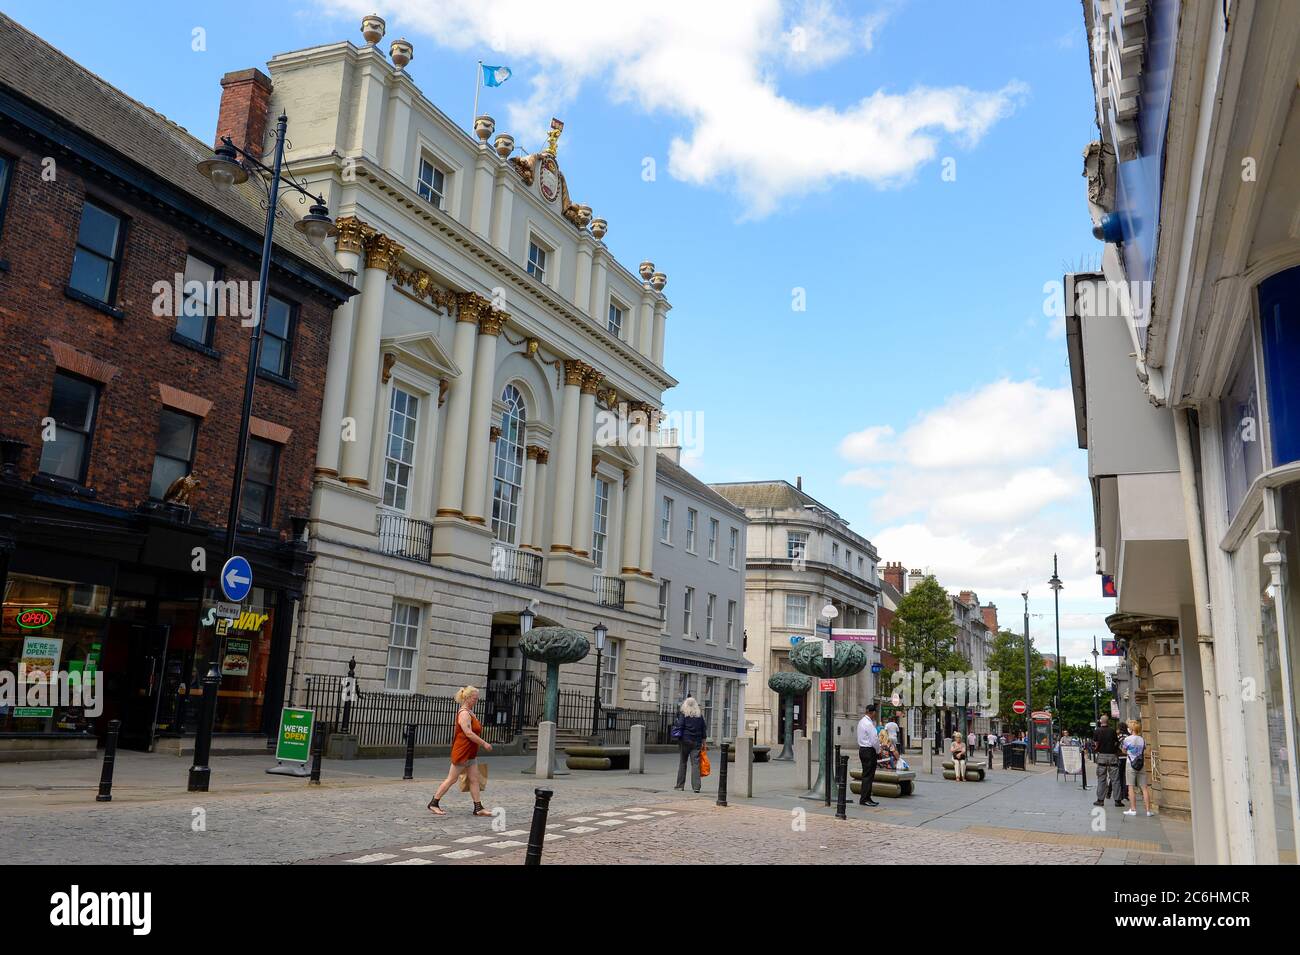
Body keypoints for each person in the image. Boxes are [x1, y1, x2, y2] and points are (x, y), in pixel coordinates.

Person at [427, 685, 493, 817]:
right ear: (467, 698)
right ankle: (433, 803)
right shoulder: (464, 713)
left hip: (470, 752)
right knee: (451, 779)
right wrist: (484, 743)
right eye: (474, 698)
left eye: (477, 698)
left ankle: (478, 808)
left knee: (474, 780)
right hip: (462, 751)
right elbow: (468, 733)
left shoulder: (470, 712)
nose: (476, 700)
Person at [672, 696, 708, 793]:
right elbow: (703, 730)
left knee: (683, 762)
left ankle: (680, 786)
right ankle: (696, 787)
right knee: (695, 764)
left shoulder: (684, 714)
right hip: (696, 742)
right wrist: (704, 743)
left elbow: (680, 725)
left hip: (684, 741)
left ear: (685, 705)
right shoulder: (699, 716)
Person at [1122, 719, 1155, 817]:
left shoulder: (1127, 739)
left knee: (1131, 786)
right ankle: (1148, 810)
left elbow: (1124, 750)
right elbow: (1144, 749)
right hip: (1141, 764)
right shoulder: (1142, 739)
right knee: (1144, 787)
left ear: (1131, 729)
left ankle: (1133, 809)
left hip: (1130, 764)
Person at [1092, 714, 1124, 807]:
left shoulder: (1097, 731)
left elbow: (1096, 743)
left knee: (1101, 778)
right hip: (1112, 756)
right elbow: (1116, 742)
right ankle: (1117, 800)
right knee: (1115, 779)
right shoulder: (1112, 731)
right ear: (1108, 721)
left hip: (1102, 756)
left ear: (1100, 721)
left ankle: (1100, 800)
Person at [857, 704, 882, 807]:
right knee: (868, 776)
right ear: (873, 712)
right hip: (869, 751)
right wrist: (878, 750)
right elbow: (874, 739)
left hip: (862, 749)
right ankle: (864, 799)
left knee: (866, 775)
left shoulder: (861, 721)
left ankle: (867, 797)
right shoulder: (869, 724)